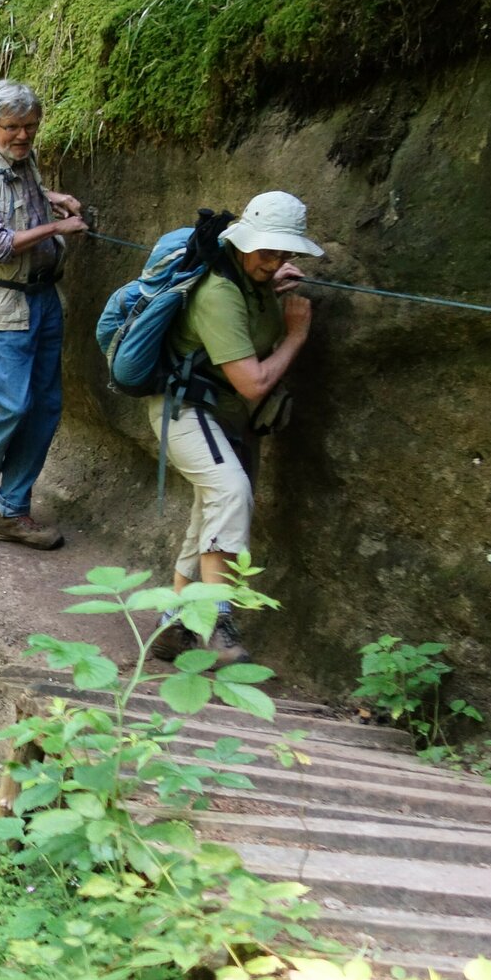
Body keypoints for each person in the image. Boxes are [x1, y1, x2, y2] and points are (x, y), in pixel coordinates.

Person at [149, 194, 319, 666]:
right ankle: (217, 621)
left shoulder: (249, 280)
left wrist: (269, 283)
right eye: (267, 252)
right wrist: (296, 336)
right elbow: (253, 383)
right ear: (245, 241)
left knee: (211, 507)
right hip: (183, 411)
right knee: (230, 491)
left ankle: (176, 622)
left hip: (220, 414)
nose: (275, 261)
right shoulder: (220, 293)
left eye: (284, 253)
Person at [0, 80, 87, 550]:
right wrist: (58, 226)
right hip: (0, 303)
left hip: (43, 298)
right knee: (12, 404)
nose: (24, 135)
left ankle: (12, 510)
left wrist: (52, 198)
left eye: (31, 126)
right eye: (13, 127)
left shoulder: (22, 160)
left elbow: (21, 200)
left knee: (45, 406)